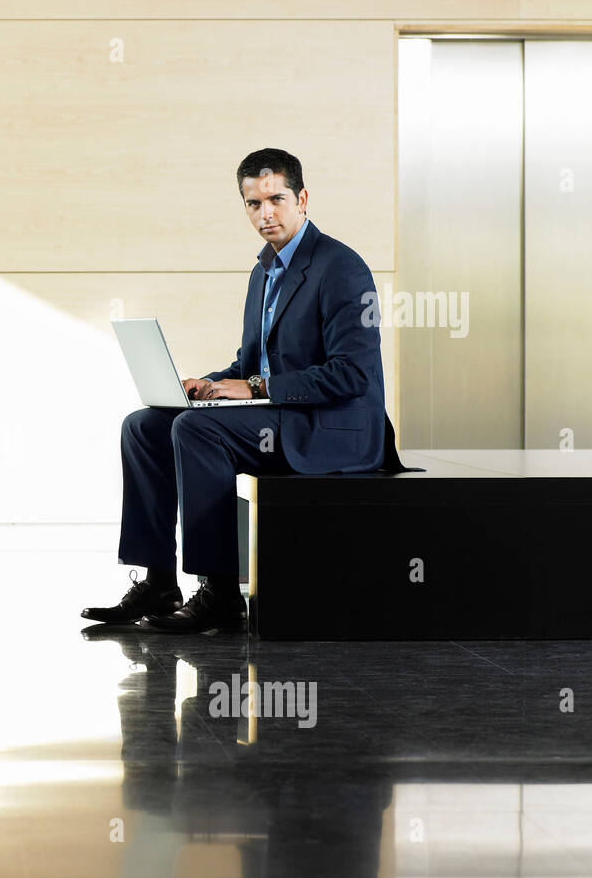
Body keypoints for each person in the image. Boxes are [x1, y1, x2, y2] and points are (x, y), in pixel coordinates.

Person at [82, 148, 404, 633]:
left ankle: (220, 592)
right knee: (145, 425)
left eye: (276, 199)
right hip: (280, 413)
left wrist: (253, 386)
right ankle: (158, 581)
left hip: (332, 427)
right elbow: (252, 364)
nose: (265, 213)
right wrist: (209, 385)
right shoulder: (264, 271)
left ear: (303, 199)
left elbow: (351, 374)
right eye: (253, 203)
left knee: (198, 431)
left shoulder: (341, 268)